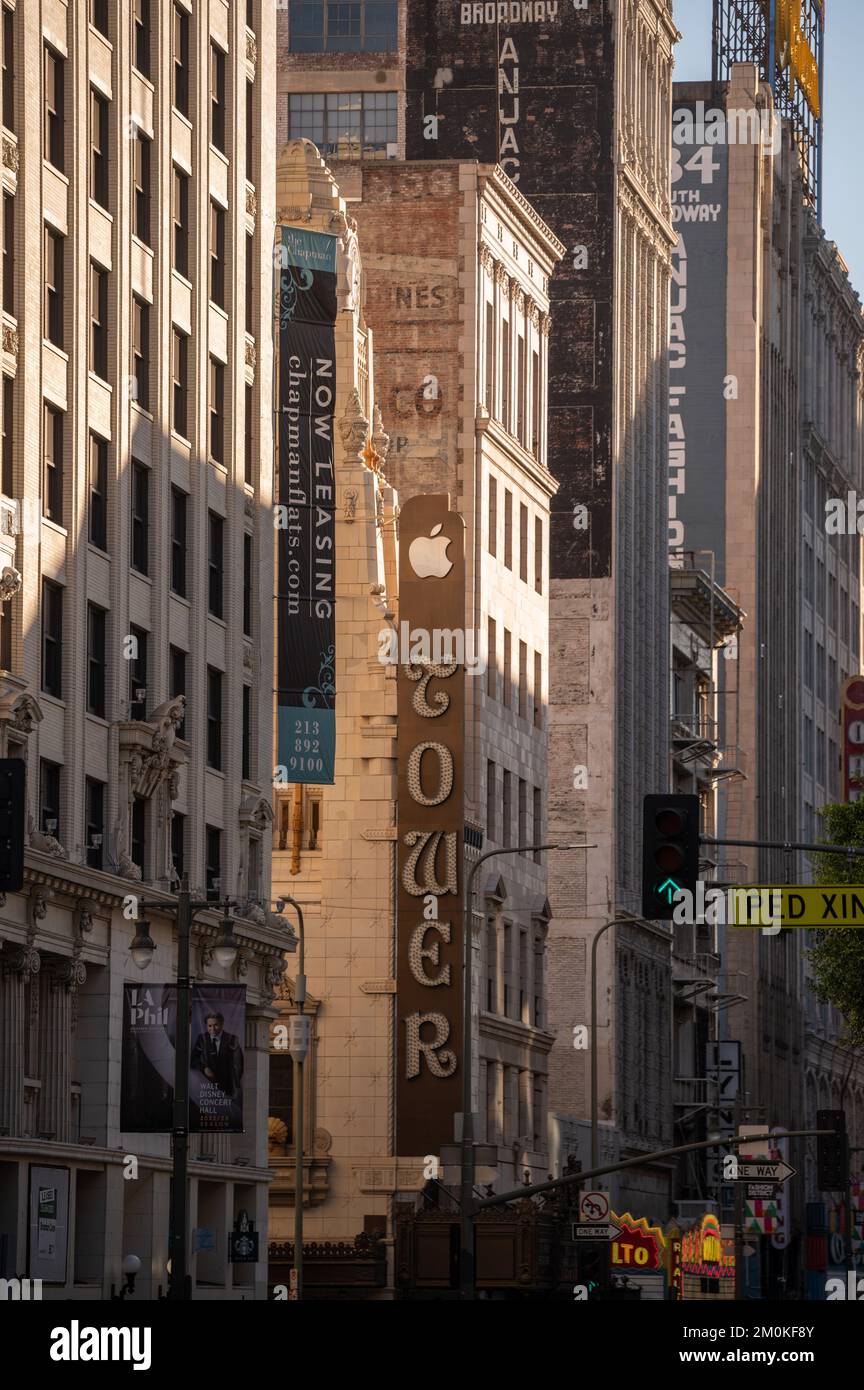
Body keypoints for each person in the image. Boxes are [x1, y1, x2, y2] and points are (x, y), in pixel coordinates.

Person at [191, 1012, 244, 1097]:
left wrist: (235, 1084)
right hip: (206, 1087)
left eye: (216, 1025)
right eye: (210, 1026)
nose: (213, 1029)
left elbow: (239, 1064)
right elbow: (193, 1059)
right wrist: (204, 1068)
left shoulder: (232, 1039)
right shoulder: (202, 1039)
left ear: (222, 1025)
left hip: (227, 1087)